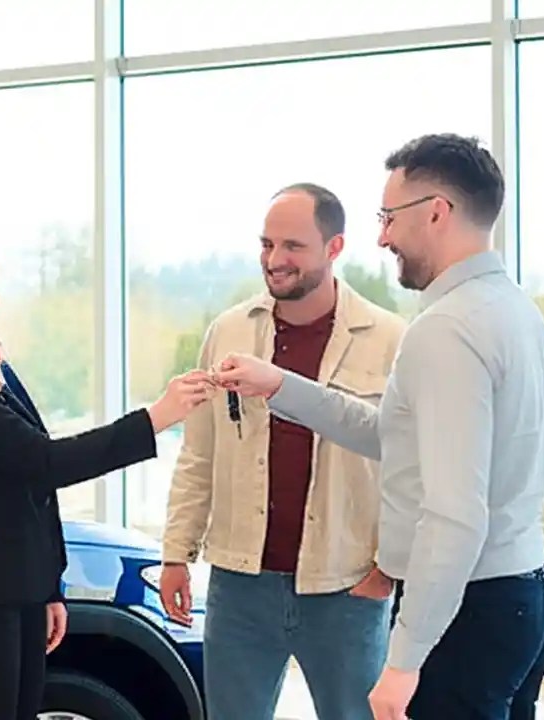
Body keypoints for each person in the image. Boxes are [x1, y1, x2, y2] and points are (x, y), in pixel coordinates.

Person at [215, 133, 544, 720]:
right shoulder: (515, 310)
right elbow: (392, 437)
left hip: (465, 613)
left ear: (437, 212)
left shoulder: (447, 330)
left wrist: (404, 661)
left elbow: (455, 514)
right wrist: (281, 386)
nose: (383, 236)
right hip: (518, 597)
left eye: (389, 217)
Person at [0, 197, 211, 719]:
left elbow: (23, 491)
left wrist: (44, 586)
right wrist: (155, 418)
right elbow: (42, 462)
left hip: (11, 591)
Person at [158, 182, 407, 719]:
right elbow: (199, 453)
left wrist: (389, 566)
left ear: (334, 247)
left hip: (347, 585)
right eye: (267, 244)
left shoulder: (389, 338)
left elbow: (408, 469)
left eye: (293, 246)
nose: (275, 260)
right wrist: (176, 553)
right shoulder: (228, 331)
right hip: (240, 585)